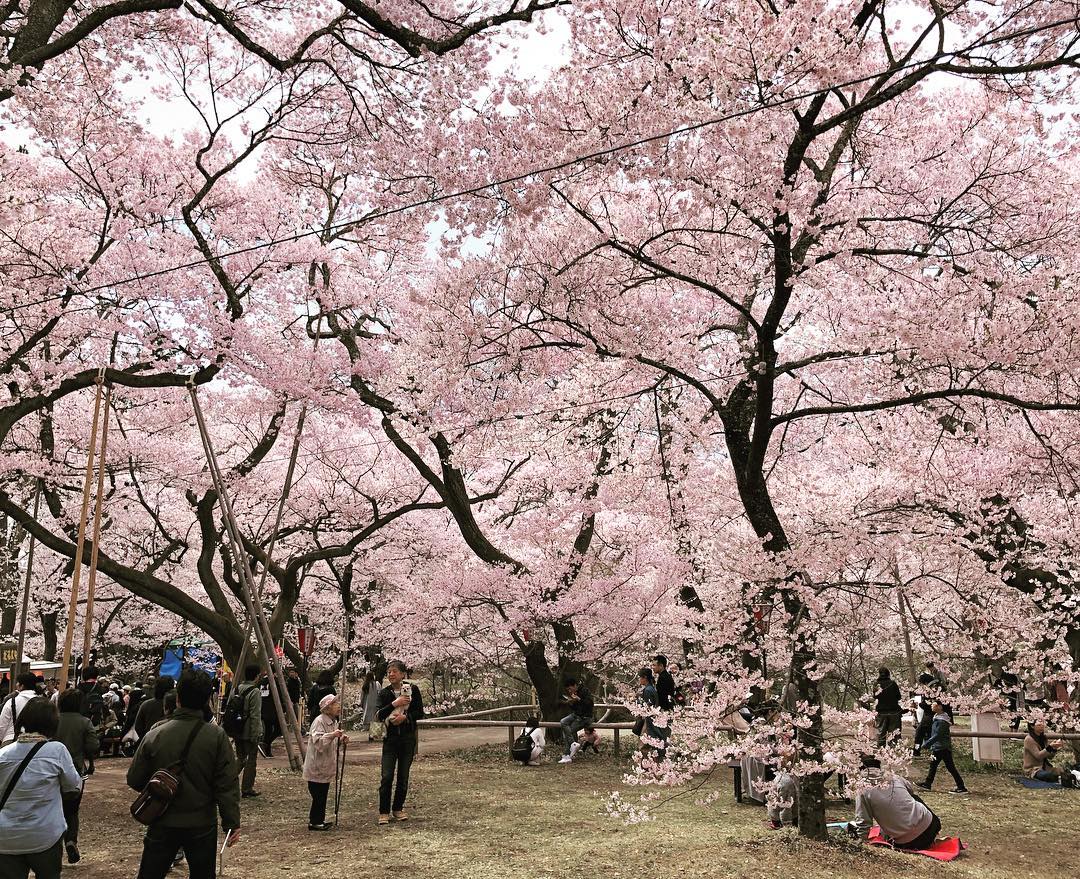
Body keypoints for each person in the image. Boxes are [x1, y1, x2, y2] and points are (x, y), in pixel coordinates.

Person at [127, 669, 240, 879]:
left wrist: (161, 787)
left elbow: (134, 779)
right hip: (202, 822)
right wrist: (231, 822)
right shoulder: (216, 736)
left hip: (162, 818)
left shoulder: (155, 734)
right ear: (207, 700)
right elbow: (226, 785)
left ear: (178, 698)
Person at [0, 697, 82, 879]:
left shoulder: (3, 754)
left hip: (6, 837)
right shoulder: (57, 750)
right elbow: (73, 786)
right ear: (53, 724)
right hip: (44, 835)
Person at [848, 756, 941, 849]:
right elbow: (910, 790)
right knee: (914, 797)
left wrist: (862, 841)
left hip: (911, 842)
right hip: (932, 825)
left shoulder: (862, 790)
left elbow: (863, 822)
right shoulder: (893, 777)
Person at [375, 660, 424, 825]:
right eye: (389, 672)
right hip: (390, 740)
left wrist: (406, 717)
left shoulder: (413, 690)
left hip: (407, 739)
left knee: (403, 776)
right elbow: (379, 714)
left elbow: (419, 712)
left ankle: (397, 808)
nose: (391, 674)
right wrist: (394, 704)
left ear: (403, 674)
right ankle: (383, 811)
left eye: (394, 671)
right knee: (387, 776)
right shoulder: (384, 693)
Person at [54, 689, 99, 864]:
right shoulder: (84, 722)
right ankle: (71, 840)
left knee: (54, 807)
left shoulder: (53, 720)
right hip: (76, 770)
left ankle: (54, 845)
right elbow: (93, 746)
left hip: (52, 770)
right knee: (72, 810)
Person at [303, 694, 349, 831]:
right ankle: (315, 821)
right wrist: (333, 735)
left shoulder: (333, 722)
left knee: (322, 794)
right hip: (316, 766)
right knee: (318, 795)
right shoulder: (319, 721)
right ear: (327, 708)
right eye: (335, 704)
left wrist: (341, 740)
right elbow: (319, 743)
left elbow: (332, 744)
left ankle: (319, 820)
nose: (338, 706)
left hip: (325, 765)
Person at [916, 701, 967, 794]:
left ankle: (961, 787)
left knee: (948, 767)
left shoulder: (942, 721)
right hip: (940, 746)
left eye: (934, 704)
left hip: (942, 747)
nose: (931, 705)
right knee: (935, 765)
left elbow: (938, 735)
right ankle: (928, 783)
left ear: (940, 707)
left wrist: (927, 744)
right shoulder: (938, 718)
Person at [231, 664, 263, 798]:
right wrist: (256, 733)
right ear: (256, 676)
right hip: (248, 730)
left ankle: (227, 780)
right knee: (251, 760)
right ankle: (247, 788)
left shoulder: (236, 688)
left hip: (237, 728)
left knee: (240, 758)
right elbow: (255, 714)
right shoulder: (254, 692)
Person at [1023, 719, 1075, 786]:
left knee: (1063, 771)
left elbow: (1050, 757)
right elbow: (1038, 756)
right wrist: (1050, 747)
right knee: (1047, 776)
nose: (1041, 727)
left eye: (1043, 725)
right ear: (1032, 726)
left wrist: (1055, 748)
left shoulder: (1043, 738)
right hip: (1033, 769)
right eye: (1039, 725)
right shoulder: (1029, 739)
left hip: (1046, 767)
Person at [558, 677, 595, 764]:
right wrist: (571, 703)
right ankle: (573, 744)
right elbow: (575, 708)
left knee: (568, 731)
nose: (569, 691)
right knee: (563, 722)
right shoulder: (573, 693)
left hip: (585, 717)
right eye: (568, 690)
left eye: (570, 688)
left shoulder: (585, 691)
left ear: (575, 685)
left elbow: (590, 704)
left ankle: (567, 755)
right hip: (576, 715)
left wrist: (579, 699)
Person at [0, 673, 41, 747]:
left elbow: (2, 725)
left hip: (12, 739)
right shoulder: (42, 702)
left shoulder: (12, 701)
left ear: (22, 686)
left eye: (17, 682)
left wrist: (2, 740)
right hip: (35, 741)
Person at [873, 667, 902, 747]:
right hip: (894, 711)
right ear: (888, 674)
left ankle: (881, 750)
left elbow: (875, 696)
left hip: (881, 711)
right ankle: (893, 750)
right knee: (894, 733)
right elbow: (899, 697)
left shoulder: (876, 684)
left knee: (881, 733)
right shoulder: (893, 683)